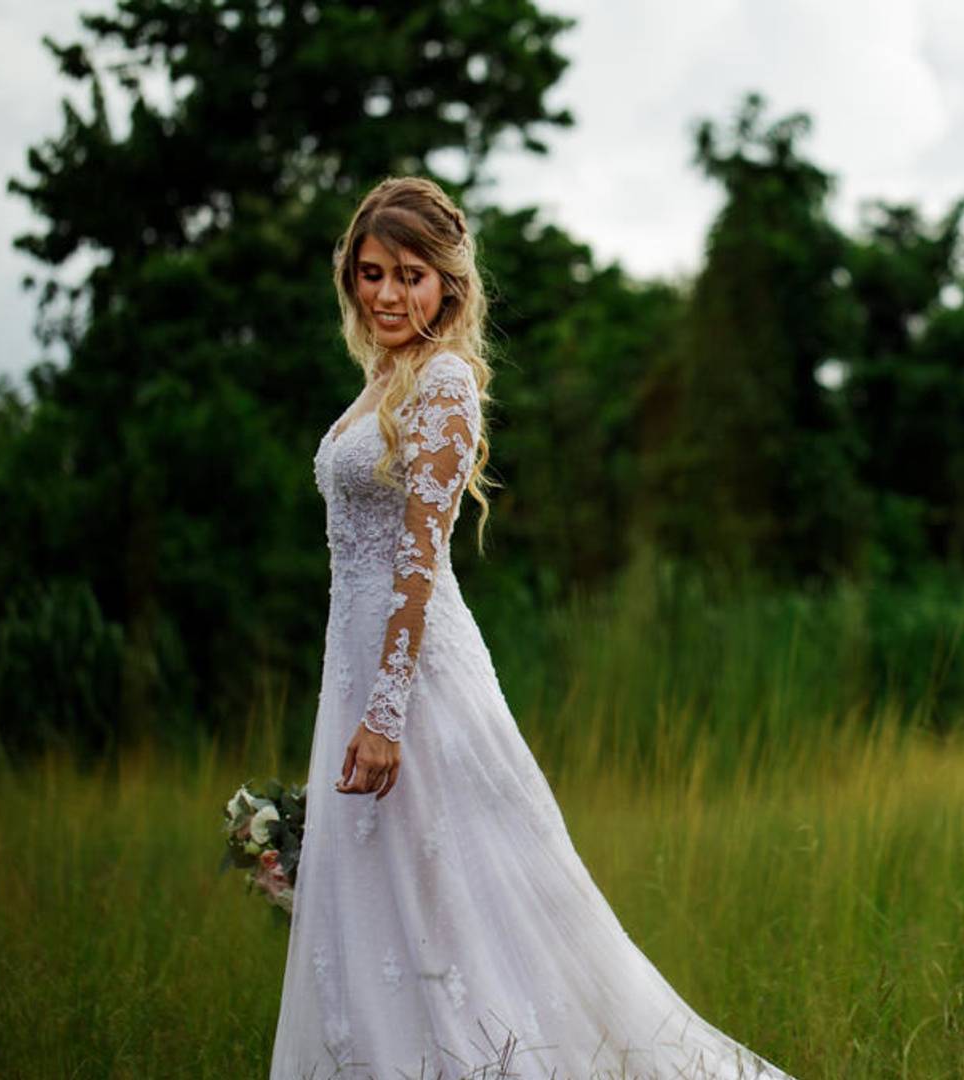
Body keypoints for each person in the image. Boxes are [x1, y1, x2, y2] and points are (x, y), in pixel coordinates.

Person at [269, 176, 792, 1080]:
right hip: (352, 670)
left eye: (411, 275)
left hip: (414, 681)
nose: (388, 294)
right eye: (371, 273)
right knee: (390, 906)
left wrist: (388, 713)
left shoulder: (443, 385)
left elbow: (421, 559)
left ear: (449, 286)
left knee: (463, 907)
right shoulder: (379, 382)